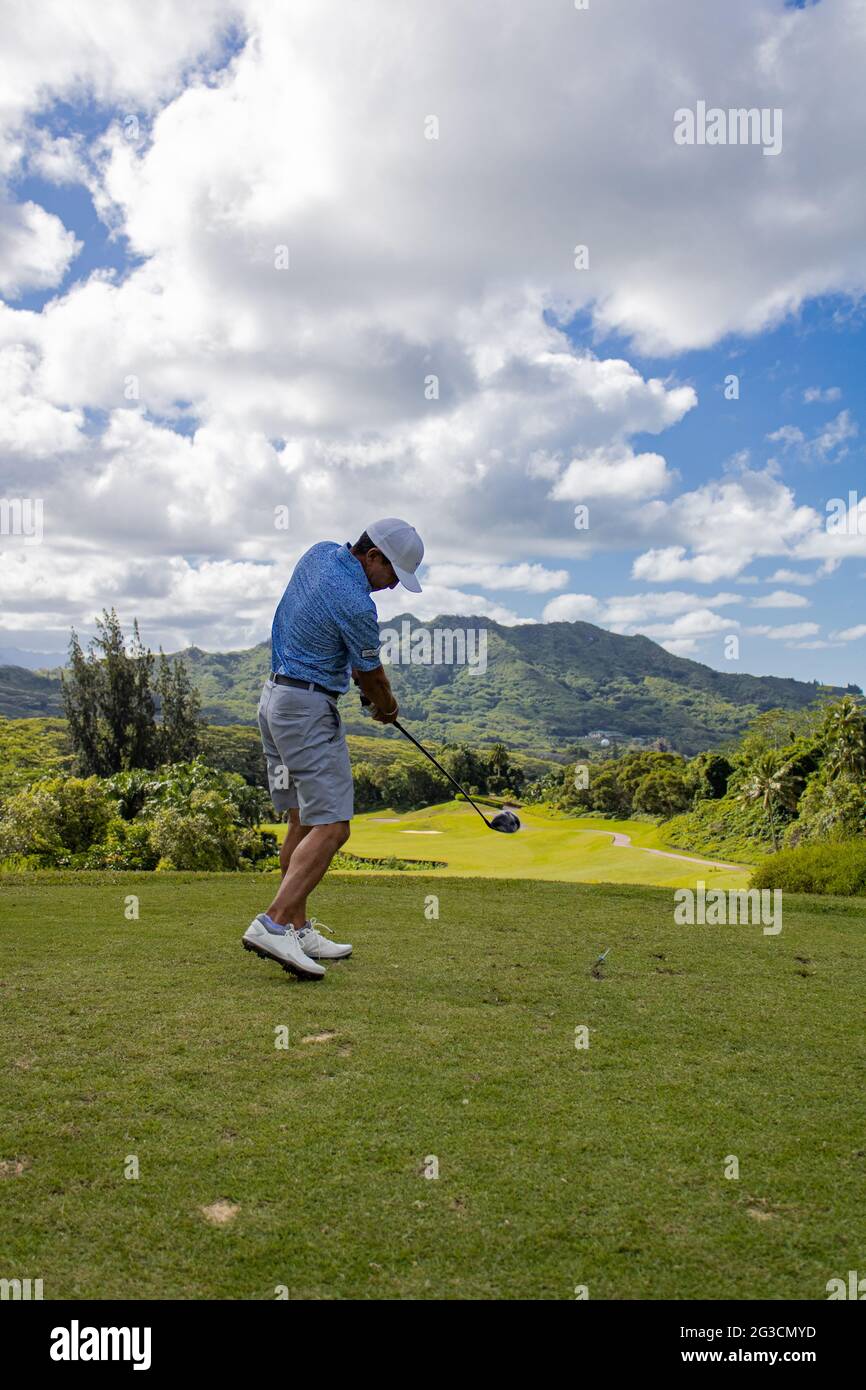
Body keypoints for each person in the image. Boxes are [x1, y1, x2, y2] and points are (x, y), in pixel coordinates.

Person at [243, 518, 424, 980]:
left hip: (275, 699)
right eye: (392, 576)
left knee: (302, 818)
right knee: (334, 825)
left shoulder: (319, 552)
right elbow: (373, 676)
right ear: (373, 557)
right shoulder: (358, 604)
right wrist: (386, 706)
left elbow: (320, 632)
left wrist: (358, 682)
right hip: (307, 709)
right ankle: (273, 923)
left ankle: (298, 929)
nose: (391, 588)